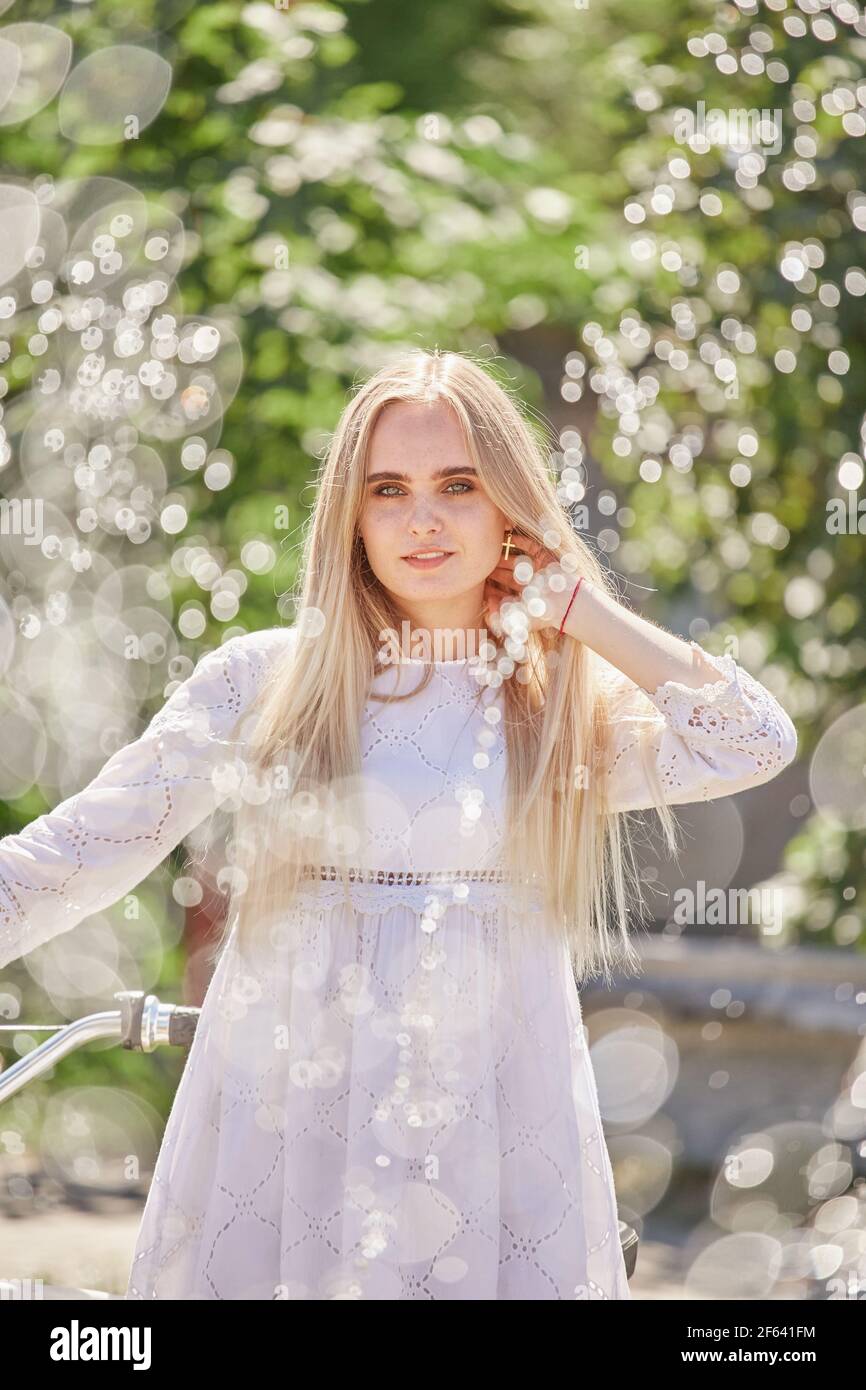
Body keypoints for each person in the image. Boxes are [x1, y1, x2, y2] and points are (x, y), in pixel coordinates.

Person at [0, 349, 797, 1300]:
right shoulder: (265, 681)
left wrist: (580, 609)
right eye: (389, 489)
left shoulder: (552, 712)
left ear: (512, 507)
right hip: (287, 1125)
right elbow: (73, 856)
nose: (423, 518)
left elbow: (752, 740)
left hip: (494, 1128)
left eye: (459, 485)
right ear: (353, 516)